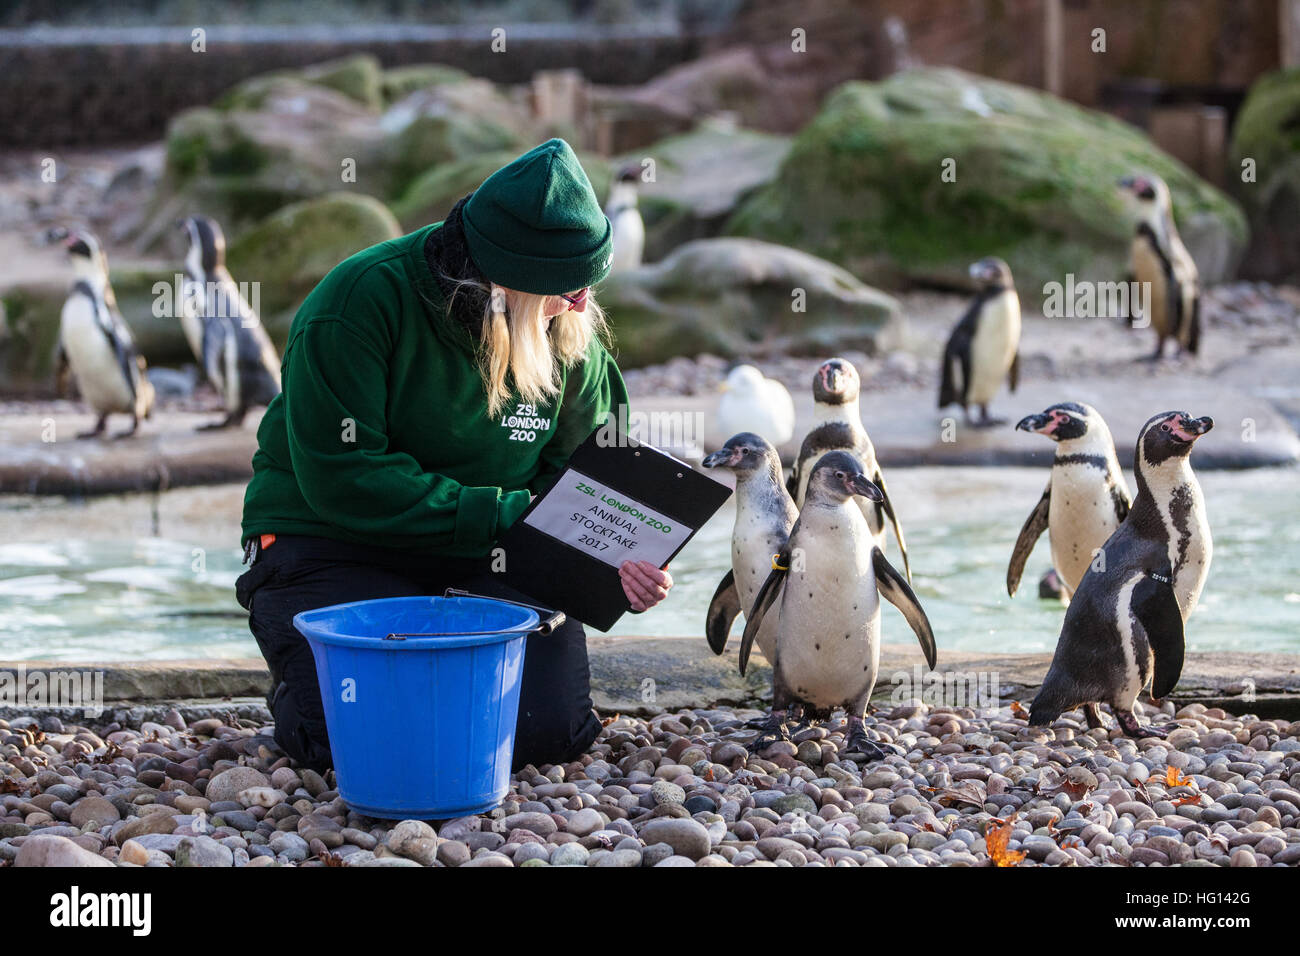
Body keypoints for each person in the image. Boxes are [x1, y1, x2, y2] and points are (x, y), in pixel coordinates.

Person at [235, 139, 673, 772]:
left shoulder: (567, 330)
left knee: (545, 735)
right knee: (364, 742)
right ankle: (299, 683)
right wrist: (506, 514)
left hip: (492, 551)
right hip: (329, 541)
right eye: (564, 288)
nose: (580, 303)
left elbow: (588, 479)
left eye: (586, 283)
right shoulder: (359, 302)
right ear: (500, 281)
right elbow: (344, 476)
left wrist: (619, 561)